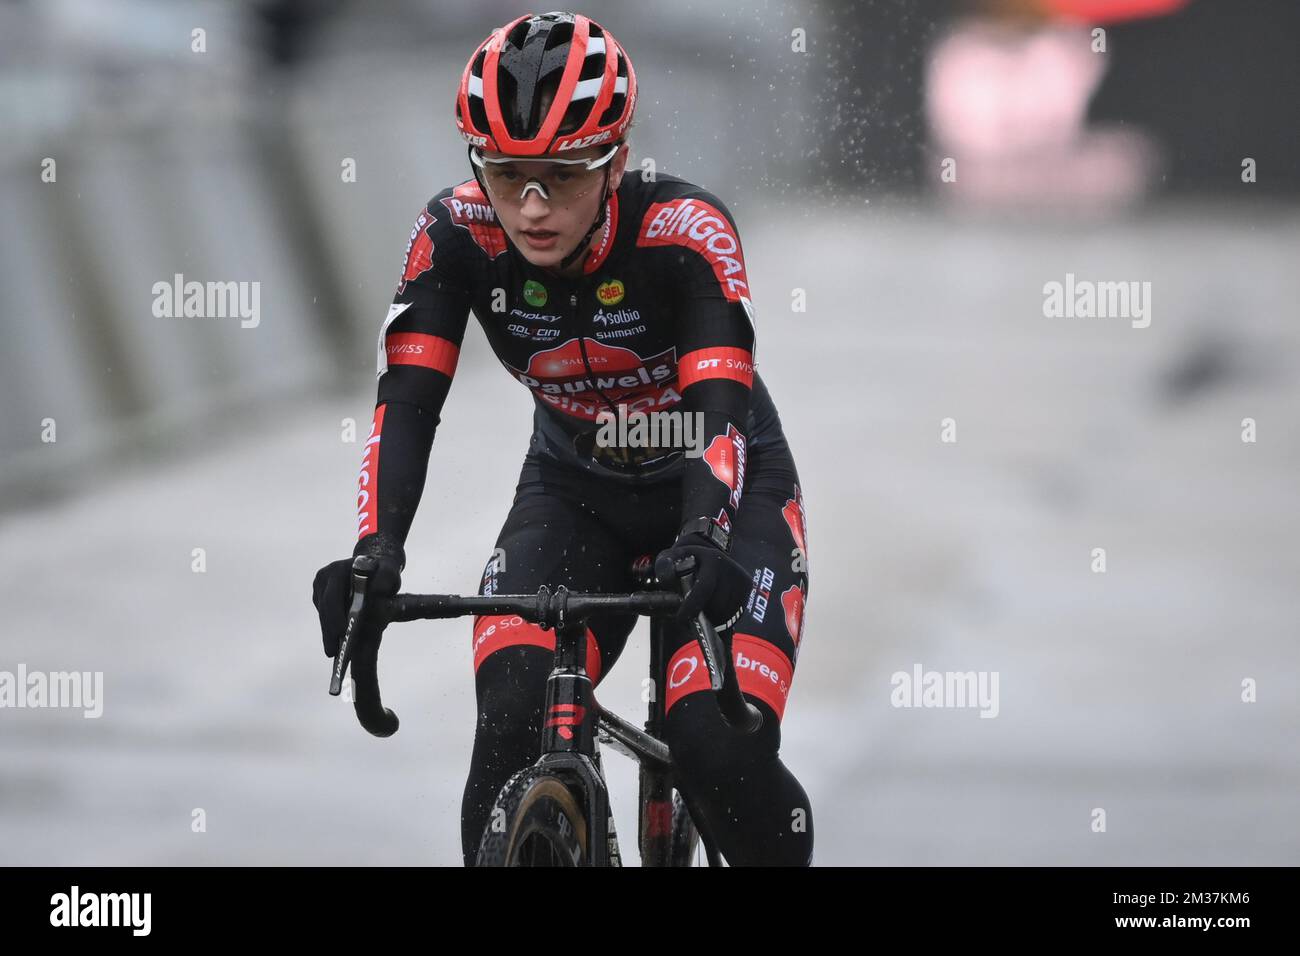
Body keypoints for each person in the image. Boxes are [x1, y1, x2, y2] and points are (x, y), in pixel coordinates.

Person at [312, 11, 813, 866]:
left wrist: (706, 533)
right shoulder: (453, 236)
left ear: (616, 161)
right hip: (574, 493)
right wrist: (374, 552)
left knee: (713, 747)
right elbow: (406, 401)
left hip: (726, 487)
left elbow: (721, 409)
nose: (533, 207)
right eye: (507, 176)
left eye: (564, 175)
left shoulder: (685, 232)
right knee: (508, 715)